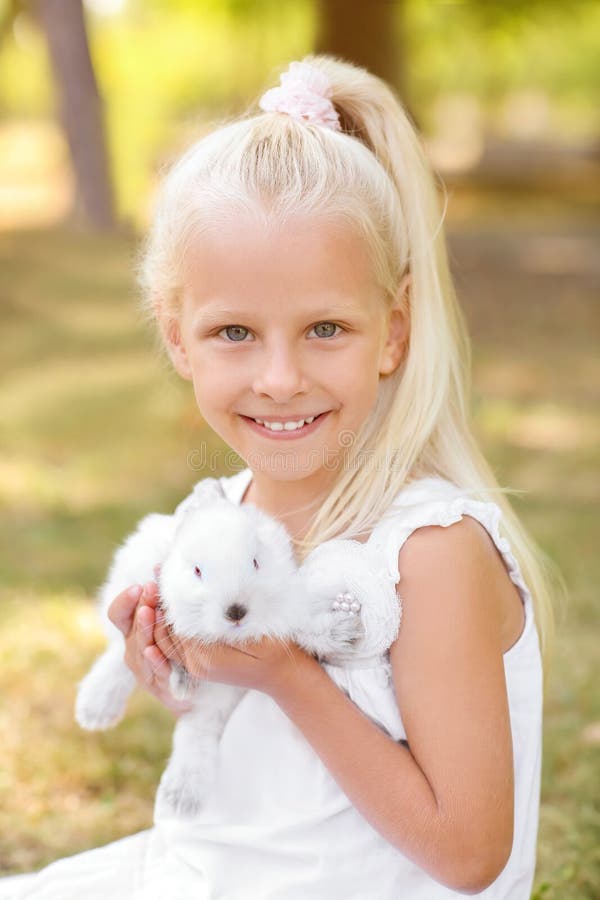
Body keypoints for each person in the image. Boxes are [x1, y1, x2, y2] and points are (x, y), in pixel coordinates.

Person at [2, 55, 556, 900]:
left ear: (394, 331)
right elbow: (265, 770)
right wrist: (175, 665)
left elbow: (470, 853)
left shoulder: (430, 550)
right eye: (234, 333)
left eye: (325, 327)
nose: (280, 377)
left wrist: (285, 674)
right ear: (177, 336)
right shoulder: (221, 518)